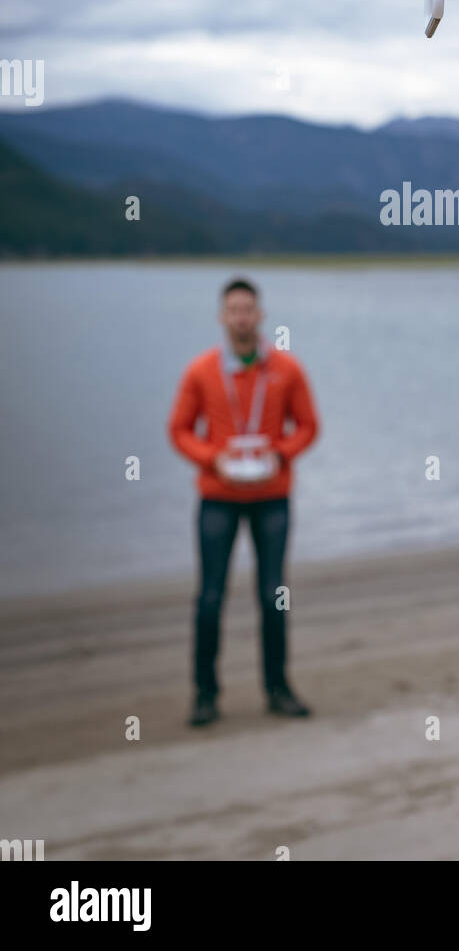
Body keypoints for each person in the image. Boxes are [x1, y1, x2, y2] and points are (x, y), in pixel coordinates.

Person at [168, 277, 319, 727]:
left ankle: (278, 688)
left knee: (274, 593)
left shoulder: (287, 369)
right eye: (233, 310)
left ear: (260, 315)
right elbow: (178, 430)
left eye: (248, 309)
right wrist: (213, 457)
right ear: (222, 316)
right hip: (218, 497)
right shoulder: (201, 371)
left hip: (272, 497)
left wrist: (281, 454)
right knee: (211, 597)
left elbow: (308, 426)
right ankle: (205, 695)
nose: (241, 317)